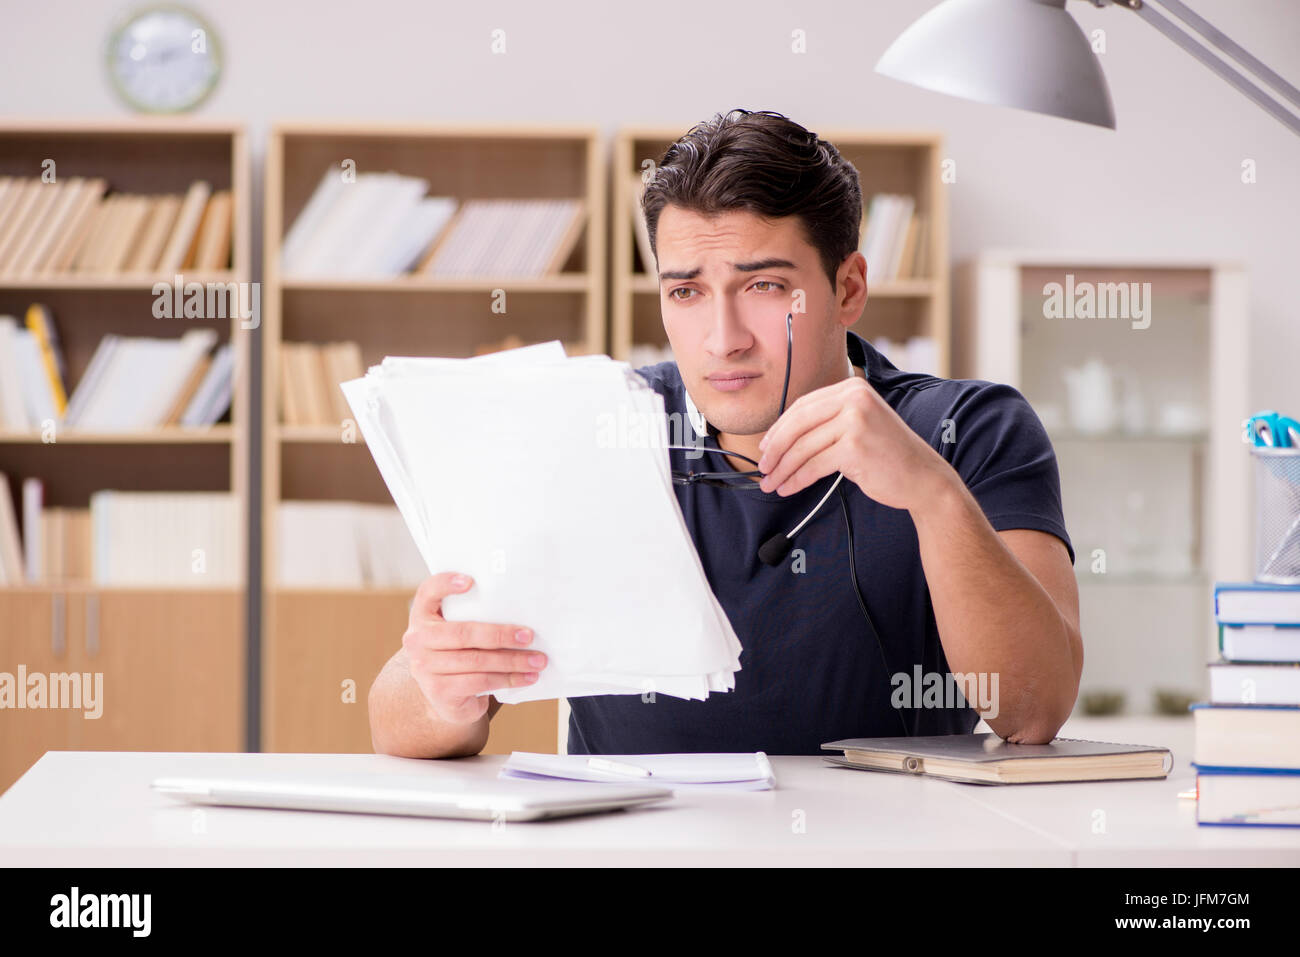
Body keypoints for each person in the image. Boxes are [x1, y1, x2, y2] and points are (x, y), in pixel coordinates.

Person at [368, 108, 1082, 758]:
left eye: (765, 286)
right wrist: (440, 689)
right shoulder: (598, 428)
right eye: (686, 292)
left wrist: (932, 494)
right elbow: (394, 720)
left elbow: (1033, 710)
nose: (723, 339)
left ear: (848, 288)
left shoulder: (967, 430)